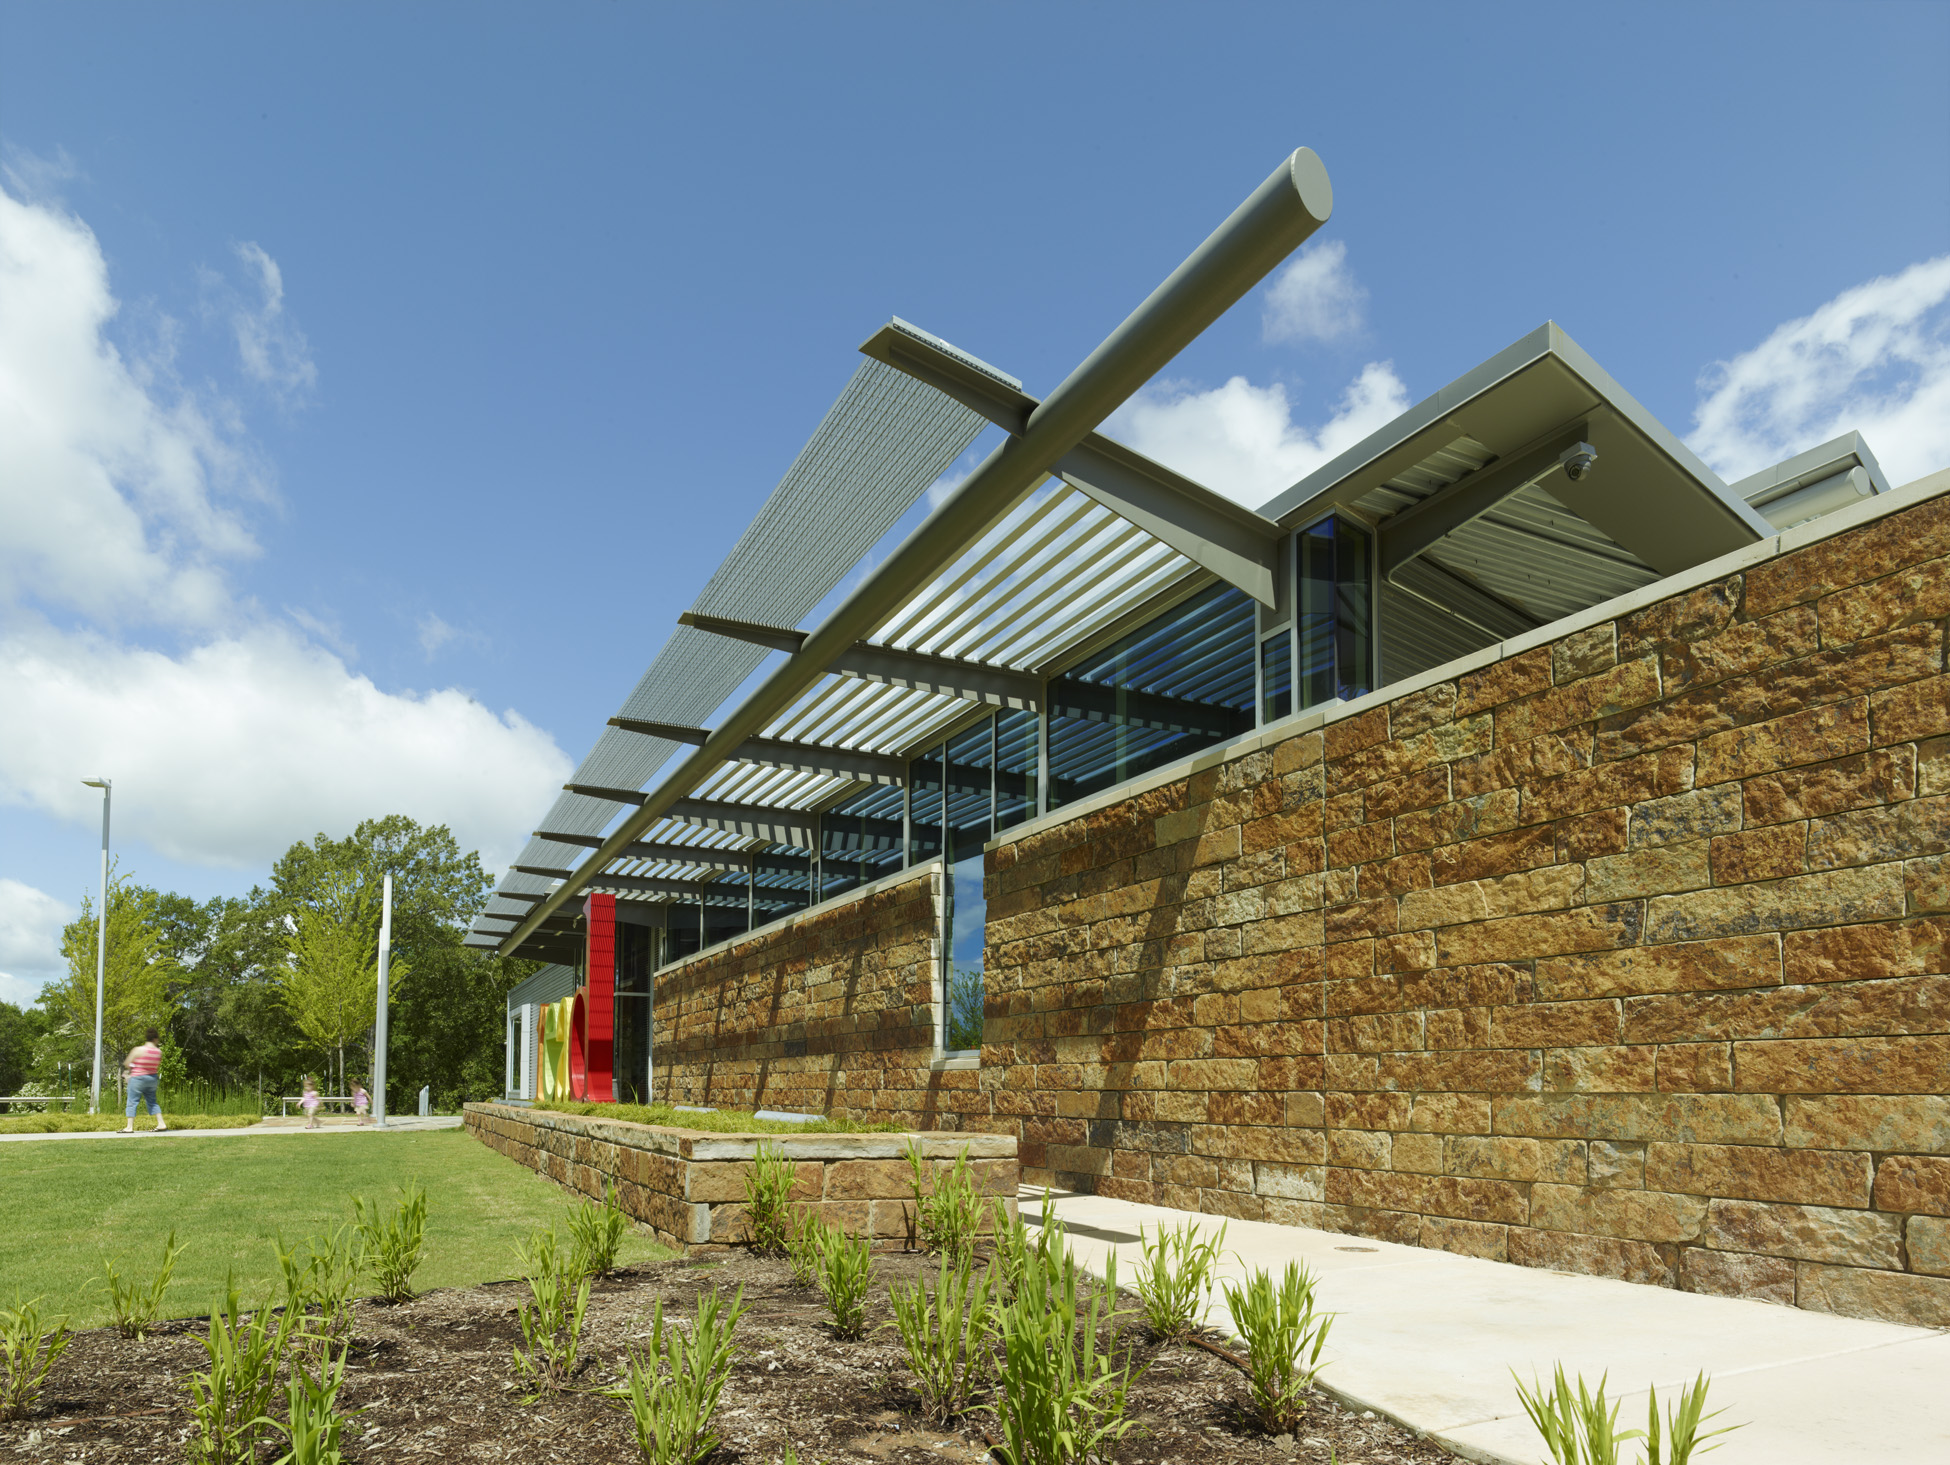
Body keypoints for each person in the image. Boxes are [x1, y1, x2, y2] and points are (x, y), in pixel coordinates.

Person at [120, 1028, 167, 1134]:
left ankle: (129, 1127)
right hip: (152, 1078)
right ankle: (161, 1123)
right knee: (152, 1101)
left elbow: (127, 1063)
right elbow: (157, 1065)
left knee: (132, 1101)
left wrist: (129, 1072)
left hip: (138, 1078)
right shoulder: (158, 1052)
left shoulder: (138, 1050)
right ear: (155, 1039)